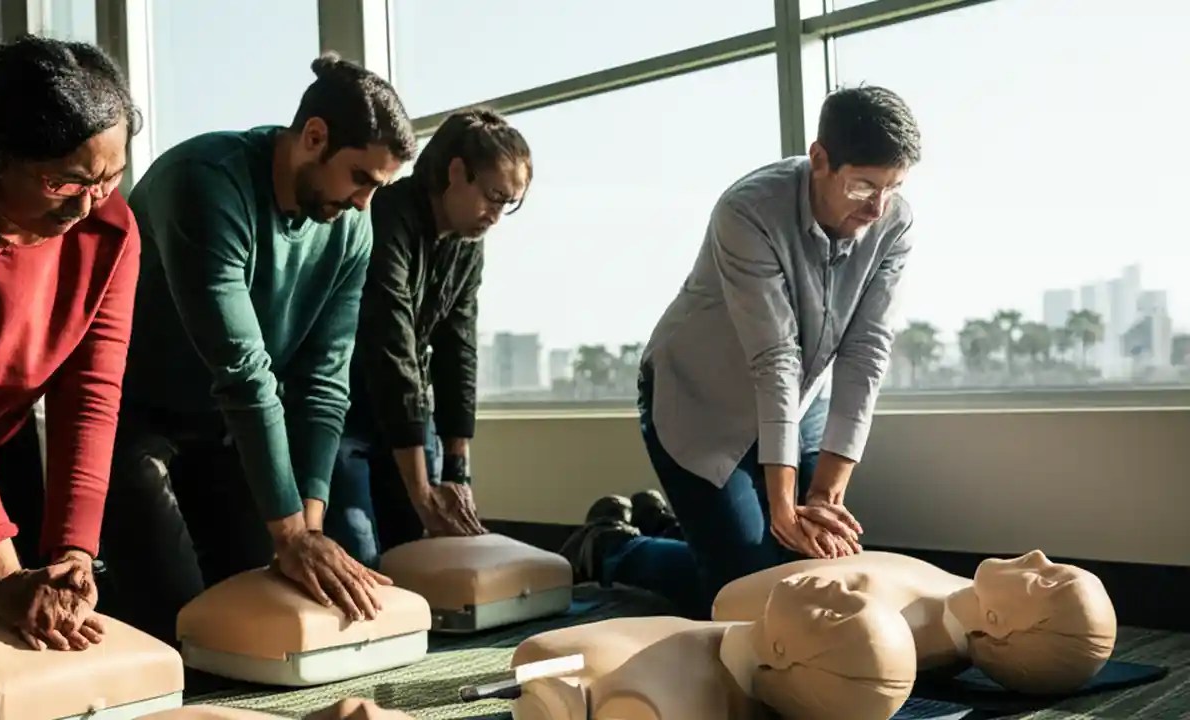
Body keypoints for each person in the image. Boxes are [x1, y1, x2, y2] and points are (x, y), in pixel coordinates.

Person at [561, 85, 922, 619]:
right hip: (700, 401)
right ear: (819, 159)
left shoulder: (894, 221)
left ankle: (679, 527)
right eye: (864, 186)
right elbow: (774, 356)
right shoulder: (749, 209)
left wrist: (824, 496)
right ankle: (612, 546)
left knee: (809, 566)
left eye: (892, 188)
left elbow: (866, 353)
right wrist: (781, 505)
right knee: (750, 596)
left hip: (798, 403)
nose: (877, 207)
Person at [98, 53, 415, 645]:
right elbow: (244, 371)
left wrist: (310, 527)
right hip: (132, 420)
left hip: (224, 430)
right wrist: (290, 534)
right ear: (314, 137)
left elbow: (324, 378)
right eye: (361, 180)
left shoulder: (350, 228)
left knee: (260, 618)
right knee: (179, 625)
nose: (366, 203)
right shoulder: (206, 181)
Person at [0, 35, 141, 650]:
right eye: (64, 183)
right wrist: (4, 576)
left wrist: (73, 550)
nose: (90, 205)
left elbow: (92, 392)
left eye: (108, 179)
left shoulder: (111, 230)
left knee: (1, 647)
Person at [324, 108, 532, 568]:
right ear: (457, 172)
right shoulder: (385, 217)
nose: (496, 217)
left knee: (424, 559)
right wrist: (420, 489)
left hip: (410, 413)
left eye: (509, 204)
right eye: (494, 197)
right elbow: (390, 343)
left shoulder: (467, 244)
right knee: (363, 558)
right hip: (345, 413)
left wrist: (457, 471)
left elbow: (459, 345)